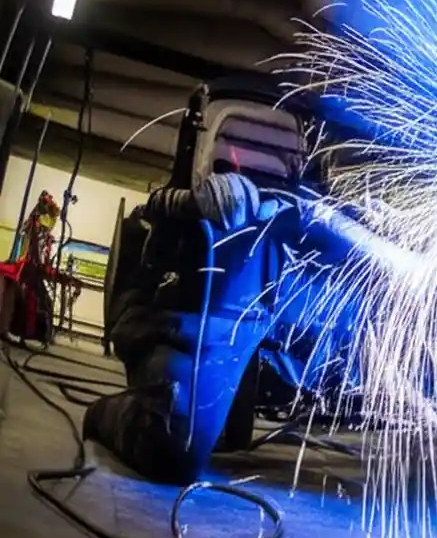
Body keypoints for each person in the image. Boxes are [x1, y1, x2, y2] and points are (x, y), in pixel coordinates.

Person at [83, 172, 355, 483]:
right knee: (170, 447)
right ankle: (101, 414)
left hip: (281, 282)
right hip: (224, 275)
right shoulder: (260, 220)